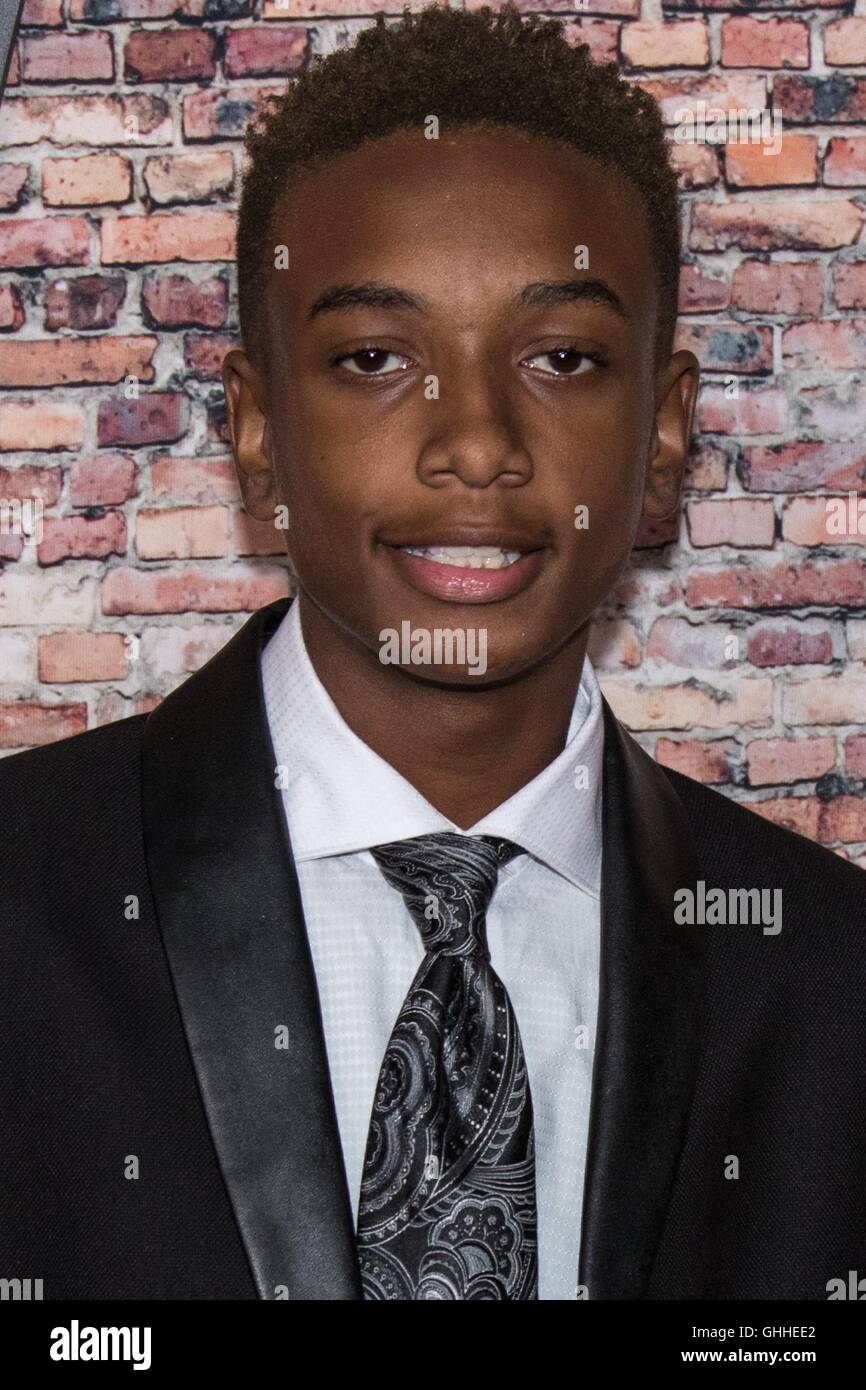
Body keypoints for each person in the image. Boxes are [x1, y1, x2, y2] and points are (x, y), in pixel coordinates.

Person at [1, 3, 863, 1302]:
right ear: (252, 430)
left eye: (562, 355)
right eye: (374, 357)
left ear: (667, 431)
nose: (473, 439)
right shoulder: (25, 908)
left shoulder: (829, 976)